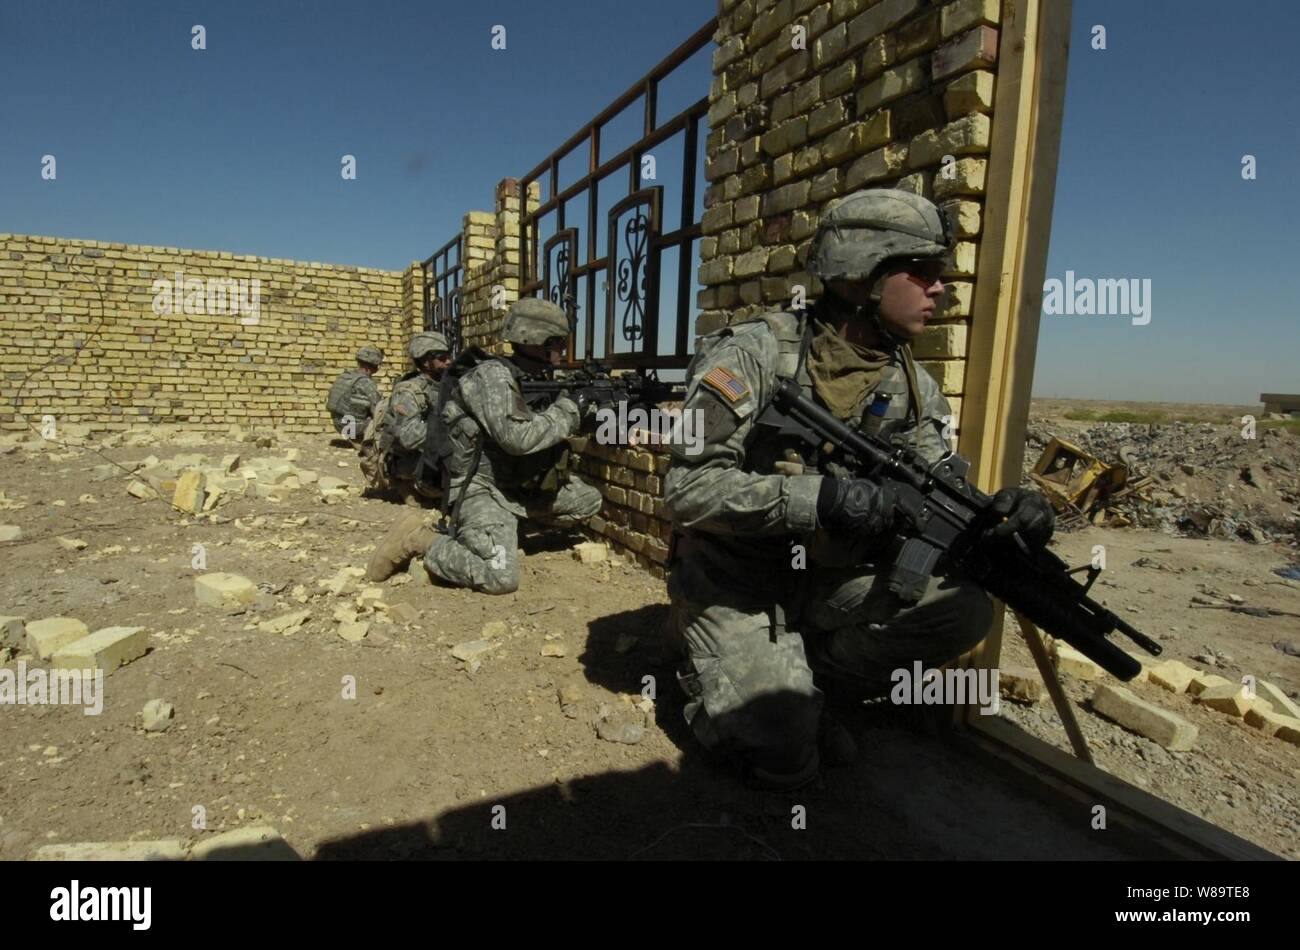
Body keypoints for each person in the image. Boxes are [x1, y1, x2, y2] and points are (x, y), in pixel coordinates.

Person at [663, 188, 1055, 790]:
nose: (940, 289)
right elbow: (687, 490)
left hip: (823, 581)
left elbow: (934, 487)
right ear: (860, 275)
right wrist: (823, 499)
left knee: (961, 610)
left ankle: (806, 679)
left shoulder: (915, 385)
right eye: (921, 273)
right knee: (786, 758)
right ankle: (724, 680)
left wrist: (1001, 513)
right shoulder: (755, 355)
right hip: (735, 581)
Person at [365, 299, 603, 588]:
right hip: (479, 487)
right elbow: (518, 438)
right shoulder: (491, 376)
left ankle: (499, 530)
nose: (564, 349)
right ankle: (421, 539)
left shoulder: (529, 376)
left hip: (514, 486)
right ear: (537, 340)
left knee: (588, 500)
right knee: (500, 578)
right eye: (558, 342)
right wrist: (570, 410)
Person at [359, 331, 450, 505]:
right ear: (425, 361)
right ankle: (406, 485)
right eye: (442, 358)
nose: (449, 361)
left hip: (430, 454)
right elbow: (408, 437)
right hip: (410, 461)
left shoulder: (444, 384)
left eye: (448, 356)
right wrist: (449, 424)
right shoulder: (409, 391)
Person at [326, 346, 384, 444]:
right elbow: (377, 412)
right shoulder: (366, 383)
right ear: (370, 367)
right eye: (376, 366)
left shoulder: (345, 376)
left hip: (339, 425)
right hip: (352, 428)